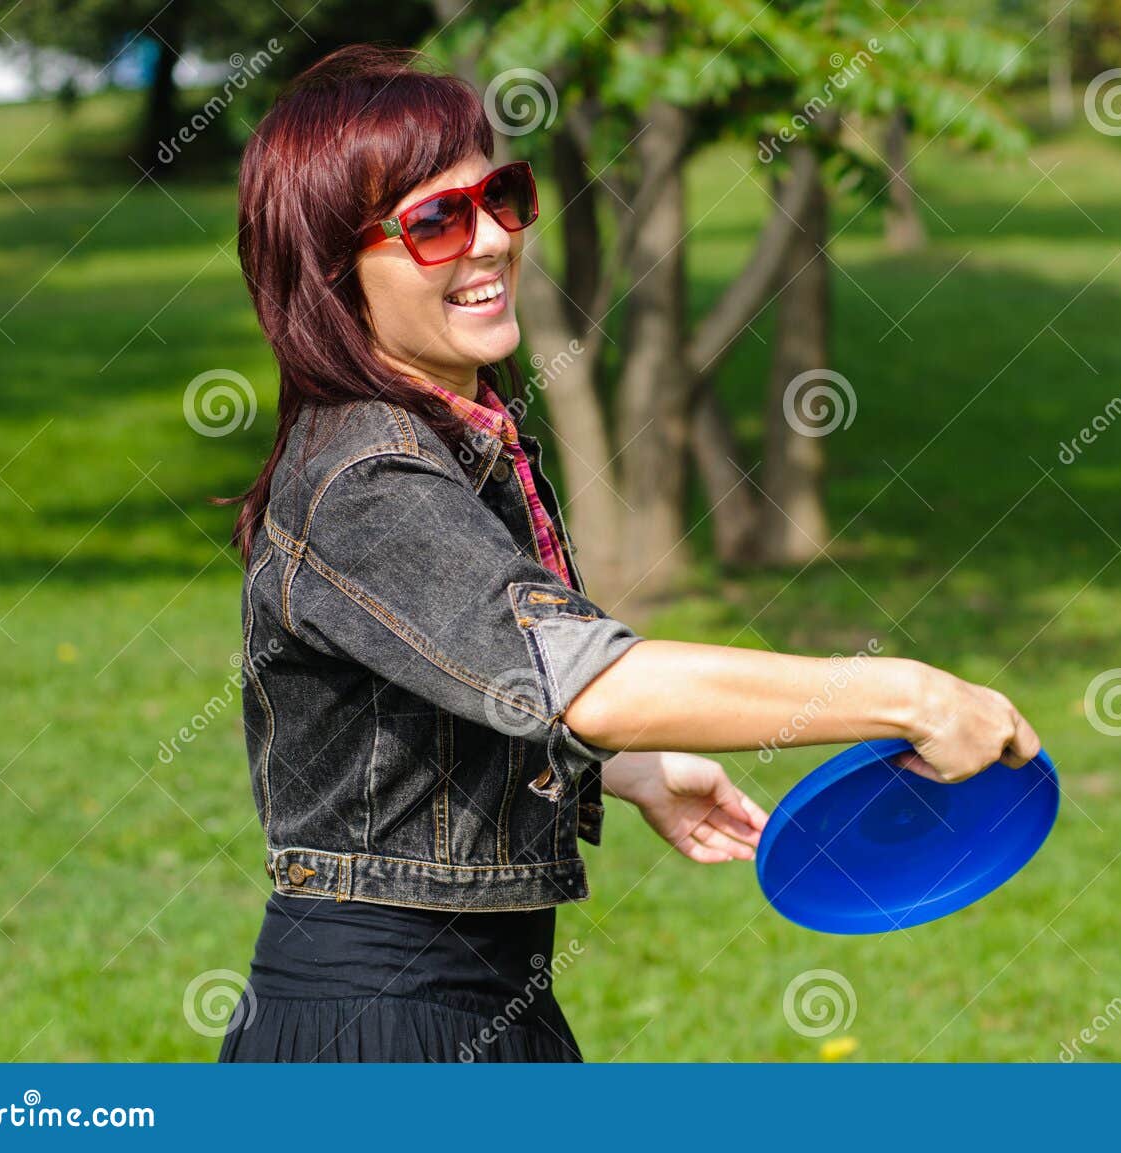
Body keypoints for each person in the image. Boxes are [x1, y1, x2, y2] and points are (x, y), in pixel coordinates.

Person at [216, 44, 1040, 1063]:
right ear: (335, 270)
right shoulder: (368, 481)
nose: (489, 241)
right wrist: (911, 694)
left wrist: (632, 764)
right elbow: (587, 681)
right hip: (379, 1030)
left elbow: (459, 676)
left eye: (499, 196)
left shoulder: (439, 438)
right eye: (435, 221)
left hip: (472, 1001)